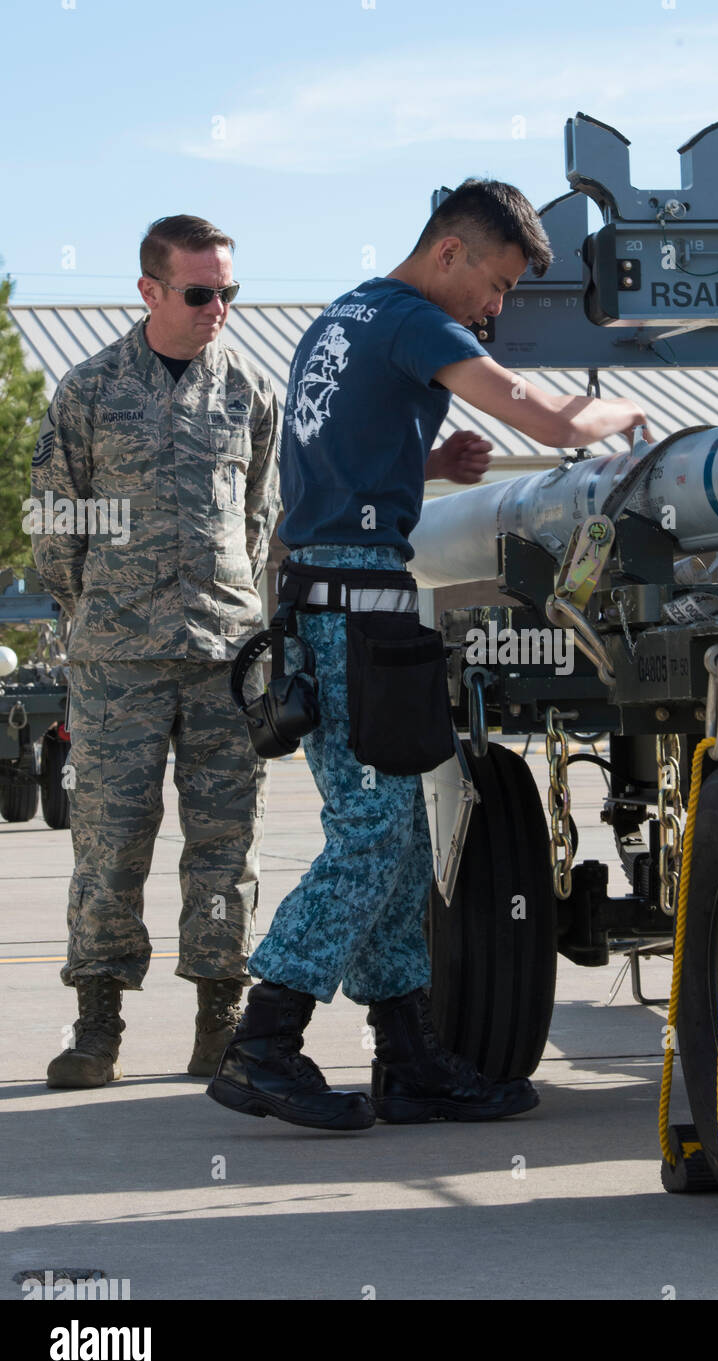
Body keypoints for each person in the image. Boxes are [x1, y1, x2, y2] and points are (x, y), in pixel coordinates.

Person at [207, 179, 650, 1131]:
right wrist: (622, 419)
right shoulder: (415, 319)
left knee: (399, 836)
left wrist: (426, 466)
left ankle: (407, 1057)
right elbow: (548, 419)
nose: (494, 311)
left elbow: (326, 465)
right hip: (355, 619)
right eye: (493, 285)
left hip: (337, 605)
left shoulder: (348, 314)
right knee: (372, 839)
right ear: (450, 253)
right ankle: (263, 1043)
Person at [32, 215, 280, 1087]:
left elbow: (259, 520)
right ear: (150, 290)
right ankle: (97, 1027)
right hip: (117, 664)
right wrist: (104, 612)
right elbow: (56, 529)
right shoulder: (89, 391)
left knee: (225, 844)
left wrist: (243, 617)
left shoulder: (249, 389)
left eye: (229, 293)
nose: (219, 308)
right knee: (109, 843)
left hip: (224, 657)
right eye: (200, 292)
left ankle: (221, 1019)